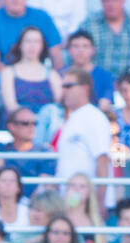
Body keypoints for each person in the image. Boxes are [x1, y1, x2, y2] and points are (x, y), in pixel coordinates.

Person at [53, 67, 110, 208]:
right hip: (71, 199)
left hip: (87, 202)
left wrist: (100, 202)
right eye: (62, 86)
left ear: (85, 88)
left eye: (68, 86)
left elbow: (102, 159)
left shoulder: (94, 117)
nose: (64, 91)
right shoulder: (73, 117)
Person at [0, 0, 63, 91]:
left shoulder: (42, 17)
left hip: (41, 72)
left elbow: (57, 57)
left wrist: (43, 75)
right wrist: (20, 77)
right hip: (6, 74)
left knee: (64, 74)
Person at [84, 0, 130, 79]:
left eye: (115, 1)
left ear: (123, 1)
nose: (111, 5)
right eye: (107, 1)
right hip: (97, 83)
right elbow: (78, 59)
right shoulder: (89, 24)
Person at [0, 25, 60, 116]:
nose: (32, 46)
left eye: (36, 42)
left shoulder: (52, 74)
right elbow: (11, 105)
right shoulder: (8, 72)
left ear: (42, 46)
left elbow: (59, 104)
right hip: (19, 123)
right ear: (20, 45)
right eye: (28, 41)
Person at [0, 106, 55, 178]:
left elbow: (47, 185)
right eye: (25, 123)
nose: (31, 127)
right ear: (11, 126)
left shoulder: (45, 153)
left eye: (34, 123)